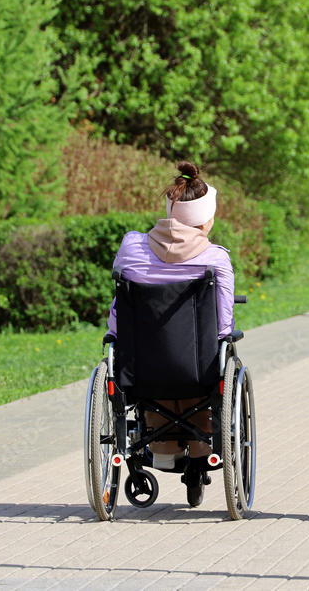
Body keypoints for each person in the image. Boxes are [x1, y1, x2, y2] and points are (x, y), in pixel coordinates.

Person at [106, 161, 234, 506]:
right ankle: (199, 448)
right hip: (197, 371)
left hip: (139, 369)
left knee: (155, 366)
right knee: (210, 358)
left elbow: (117, 315)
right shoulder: (215, 260)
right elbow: (223, 327)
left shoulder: (131, 247)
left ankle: (161, 449)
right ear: (207, 220)